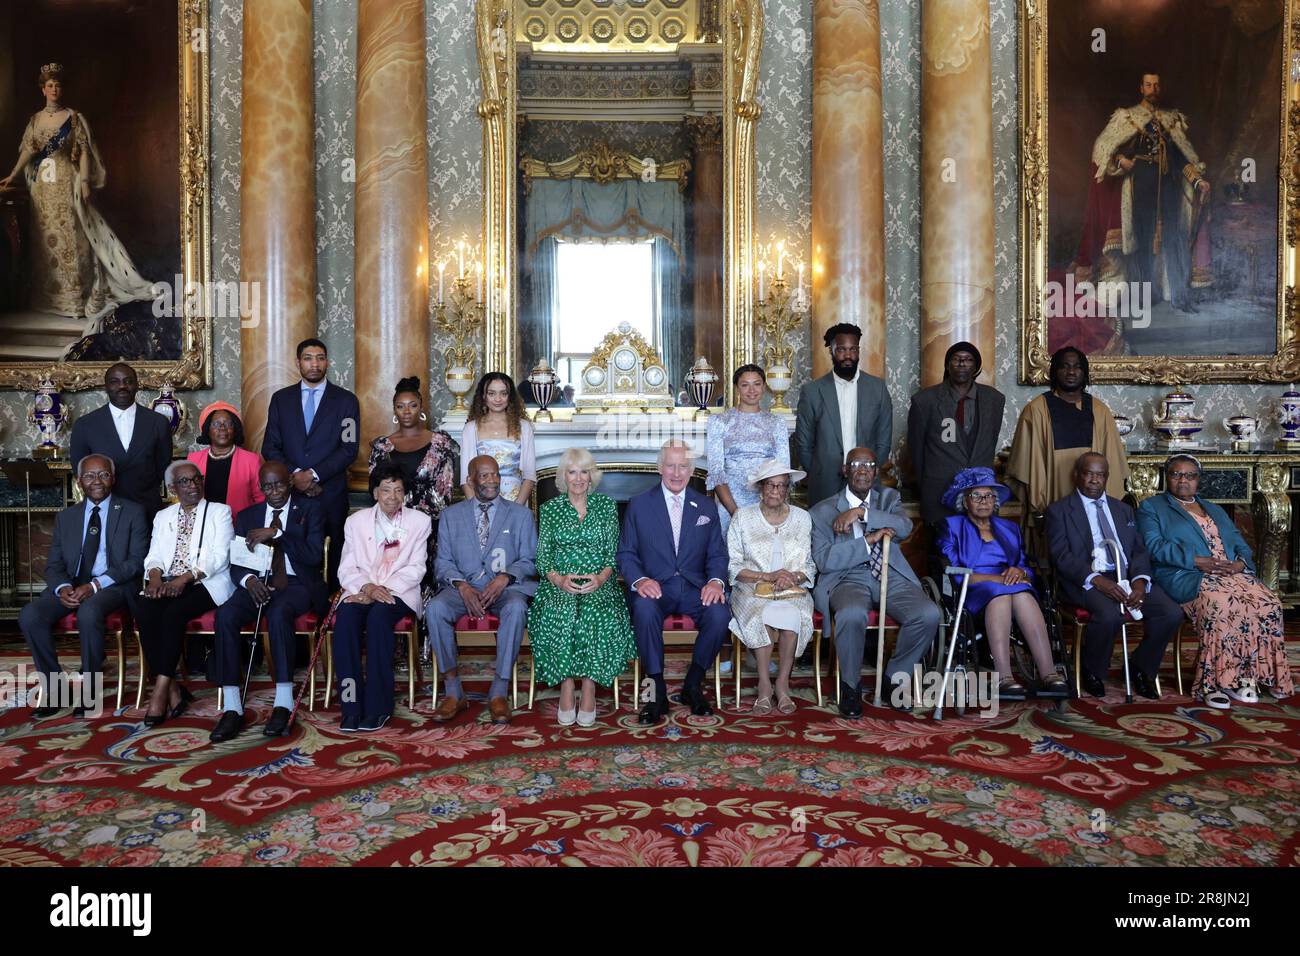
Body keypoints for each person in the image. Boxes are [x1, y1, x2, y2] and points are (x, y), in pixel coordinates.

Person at [0, 63, 155, 331]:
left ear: (62, 89)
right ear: (43, 90)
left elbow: (83, 152)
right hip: (42, 189)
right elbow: (28, 151)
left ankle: (74, 299)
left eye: (58, 85)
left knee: (73, 238)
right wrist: (13, 175)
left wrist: (84, 182)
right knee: (46, 241)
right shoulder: (36, 120)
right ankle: (50, 299)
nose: (54, 89)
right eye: (49, 85)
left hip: (67, 182)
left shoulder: (73, 118)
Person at [1136, 455, 1294, 709]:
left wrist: (1240, 564)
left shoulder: (1214, 508)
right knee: (1222, 605)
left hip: (1230, 573)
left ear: (1199, 480)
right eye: (1176, 474)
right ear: (1167, 478)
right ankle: (1214, 683)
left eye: (1190, 475)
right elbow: (1154, 547)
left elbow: (1241, 545)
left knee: (1269, 603)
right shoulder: (1152, 507)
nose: (1183, 480)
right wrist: (1198, 561)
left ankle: (1246, 678)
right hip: (1188, 573)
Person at [810, 446, 939, 717]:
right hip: (847, 578)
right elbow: (825, 560)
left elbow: (903, 527)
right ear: (844, 470)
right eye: (855, 464)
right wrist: (869, 540)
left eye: (868, 465)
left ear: (876, 471)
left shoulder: (888, 499)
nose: (862, 470)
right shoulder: (822, 511)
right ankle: (850, 686)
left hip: (890, 575)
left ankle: (894, 678)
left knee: (928, 614)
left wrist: (860, 514)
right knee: (851, 614)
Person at [21, 455, 149, 718]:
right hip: (73, 584)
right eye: (89, 476)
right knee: (30, 615)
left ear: (113, 479)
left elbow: (136, 562)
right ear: (79, 482)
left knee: (89, 611)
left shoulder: (132, 511)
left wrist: (94, 585)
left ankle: (91, 691)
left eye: (103, 474)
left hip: (113, 586)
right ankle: (55, 689)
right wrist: (63, 588)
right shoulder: (67, 517)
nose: (97, 481)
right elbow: (54, 565)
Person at [1046, 453, 1182, 699]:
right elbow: (1062, 557)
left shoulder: (1124, 509)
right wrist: (1098, 581)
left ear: (1107, 478)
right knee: (1109, 615)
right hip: (1087, 579)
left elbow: (1139, 550)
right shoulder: (1060, 511)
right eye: (1088, 473)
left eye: (1100, 475)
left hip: (1126, 577)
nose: (1094, 480)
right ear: (1077, 475)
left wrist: (1140, 581)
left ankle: (1141, 668)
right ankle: (1093, 671)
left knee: (1170, 612)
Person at [209, 462, 328, 742]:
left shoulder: (309, 510)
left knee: (278, 613)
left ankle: (283, 701)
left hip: (296, 583)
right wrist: (249, 581)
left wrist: (278, 534)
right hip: (256, 583)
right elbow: (236, 562)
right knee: (225, 616)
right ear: (260, 488)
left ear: (289, 482)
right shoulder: (249, 516)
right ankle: (232, 706)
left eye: (280, 485)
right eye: (267, 486)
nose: (274, 492)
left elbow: (313, 556)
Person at [617, 439, 729, 724]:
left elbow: (717, 553)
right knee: (643, 609)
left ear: (692, 470)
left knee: (719, 613)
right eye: (670, 466)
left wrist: (715, 581)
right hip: (656, 586)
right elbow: (626, 554)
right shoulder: (639, 505)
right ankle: (655, 690)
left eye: (683, 466)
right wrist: (640, 580)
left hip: (694, 588)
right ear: (659, 468)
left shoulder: (705, 505)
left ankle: (693, 684)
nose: (676, 473)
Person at [1084, 73, 1212, 317]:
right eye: (1149, 85)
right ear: (1141, 88)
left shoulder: (1171, 120)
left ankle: (1179, 297)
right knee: (1141, 243)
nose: (1153, 89)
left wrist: (1198, 180)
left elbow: (1181, 159)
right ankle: (1144, 298)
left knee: (1174, 240)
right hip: (1139, 187)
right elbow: (1104, 147)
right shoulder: (1128, 117)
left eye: (1157, 85)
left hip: (1169, 189)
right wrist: (1121, 160)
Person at [937, 467, 1068, 700]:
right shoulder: (952, 526)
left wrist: (1019, 571)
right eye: (976, 496)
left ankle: (1049, 674)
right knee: (1001, 593)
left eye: (989, 496)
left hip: (1011, 585)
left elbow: (1024, 565)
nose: (984, 501)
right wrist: (998, 579)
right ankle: (1004, 677)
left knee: (1023, 595)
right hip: (973, 587)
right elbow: (956, 572)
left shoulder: (1010, 528)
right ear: (965, 502)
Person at [426, 456, 538, 726]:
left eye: (496, 475)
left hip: (505, 589)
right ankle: (454, 692)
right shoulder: (451, 515)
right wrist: (462, 586)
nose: (492, 481)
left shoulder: (521, 514)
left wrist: (505, 577)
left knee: (516, 608)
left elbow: (530, 559)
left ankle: (499, 692)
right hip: (463, 588)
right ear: (471, 480)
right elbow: (442, 563)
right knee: (435, 608)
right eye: (485, 476)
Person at [526, 448, 635, 727]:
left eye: (583, 471)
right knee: (558, 614)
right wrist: (559, 580)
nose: (578, 478)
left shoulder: (607, 506)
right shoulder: (550, 509)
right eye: (572, 472)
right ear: (564, 476)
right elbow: (543, 558)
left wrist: (599, 578)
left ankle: (588, 687)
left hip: (600, 582)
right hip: (558, 584)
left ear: (591, 476)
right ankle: (565, 686)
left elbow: (614, 553)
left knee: (596, 616)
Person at [332, 463, 432, 733]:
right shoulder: (355, 522)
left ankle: (378, 707)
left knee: (378, 619)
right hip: (361, 589)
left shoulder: (419, 522)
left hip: (399, 591)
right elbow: (346, 568)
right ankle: (351, 705)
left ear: (405, 495)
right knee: (346, 620)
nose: (392, 497)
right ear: (375, 492)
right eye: (386, 490)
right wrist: (367, 588)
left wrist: (380, 590)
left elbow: (416, 568)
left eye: (398, 491)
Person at [137, 462, 235, 726]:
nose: (193, 486)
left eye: (196, 479)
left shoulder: (219, 512)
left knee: (173, 613)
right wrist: (155, 579)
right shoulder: (163, 516)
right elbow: (154, 553)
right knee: (144, 608)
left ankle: (161, 690)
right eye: (185, 482)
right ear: (172, 488)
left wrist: (184, 579)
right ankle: (173, 688)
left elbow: (220, 558)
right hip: (168, 581)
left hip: (206, 582)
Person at [262, 338, 361, 591]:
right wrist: (297, 476)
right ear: (298, 362)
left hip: (331, 495)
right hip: (291, 496)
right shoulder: (280, 400)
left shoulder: (346, 401)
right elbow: (270, 447)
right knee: (294, 553)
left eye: (320, 358)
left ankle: (332, 617)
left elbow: (349, 449)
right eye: (308, 358)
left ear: (327, 361)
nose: (314, 364)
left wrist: (314, 475)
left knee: (334, 558)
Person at [726, 460, 816, 716]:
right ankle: (765, 685)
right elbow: (734, 567)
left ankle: (782, 684)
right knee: (761, 615)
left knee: (794, 616)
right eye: (770, 485)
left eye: (781, 486)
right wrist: (766, 575)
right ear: (761, 488)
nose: (775, 491)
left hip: (792, 590)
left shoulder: (802, 518)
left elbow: (808, 564)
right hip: (751, 588)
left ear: (788, 489)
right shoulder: (743, 517)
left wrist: (794, 576)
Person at [1006, 346, 1129, 531]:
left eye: (1077, 366)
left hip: (1093, 506)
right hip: (1050, 500)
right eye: (1064, 366)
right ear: (1054, 371)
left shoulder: (1100, 411)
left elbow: (1113, 465)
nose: (1071, 371)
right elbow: (1023, 468)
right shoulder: (1036, 410)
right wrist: (1038, 508)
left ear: (1085, 372)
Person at [367, 376, 458, 604]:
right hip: (391, 530)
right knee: (394, 585)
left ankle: (427, 635)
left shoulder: (440, 443)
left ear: (421, 408)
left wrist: (422, 524)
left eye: (413, 405)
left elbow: (445, 491)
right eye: (400, 406)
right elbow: (376, 491)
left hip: (432, 530)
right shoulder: (382, 447)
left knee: (430, 584)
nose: (407, 411)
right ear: (394, 410)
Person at [906, 342, 1005, 528]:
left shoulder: (994, 400)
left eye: (968, 360)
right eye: (956, 359)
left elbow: (990, 441)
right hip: (938, 494)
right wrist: (926, 485)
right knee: (941, 553)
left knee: (981, 552)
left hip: (980, 495)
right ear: (947, 365)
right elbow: (916, 450)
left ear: (976, 367)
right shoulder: (924, 401)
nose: (961, 364)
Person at [794, 322, 893, 508]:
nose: (848, 355)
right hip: (825, 483)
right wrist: (819, 471)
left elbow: (883, 439)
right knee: (827, 534)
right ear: (831, 351)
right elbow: (803, 443)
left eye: (853, 349)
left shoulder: (877, 388)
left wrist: (867, 471)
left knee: (865, 534)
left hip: (866, 482)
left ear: (859, 351)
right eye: (841, 349)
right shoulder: (812, 391)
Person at [69, 363, 173, 521]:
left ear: (137, 385)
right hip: (104, 512)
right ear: (106, 386)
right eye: (114, 381)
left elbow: (162, 467)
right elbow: (81, 470)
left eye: (128, 381)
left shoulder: (158, 422)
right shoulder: (85, 425)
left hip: (147, 510)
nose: (122, 386)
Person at [706, 364, 791, 536]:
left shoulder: (777, 423)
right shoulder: (719, 422)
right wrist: (735, 512)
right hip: (730, 502)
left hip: (768, 502)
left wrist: (772, 505)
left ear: (764, 387)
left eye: (757, 384)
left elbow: (783, 471)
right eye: (745, 385)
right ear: (737, 388)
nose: (751, 390)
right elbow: (716, 472)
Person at [459, 372, 536, 505]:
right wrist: (478, 510)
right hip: (481, 502)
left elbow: (529, 475)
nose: (498, 399)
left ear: (510, 397)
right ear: (483, 396)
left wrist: (516, 510)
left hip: (516, 503)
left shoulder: (524, 427)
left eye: (503, 393)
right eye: (492, 393)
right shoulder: (471, 429)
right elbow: (465, 478)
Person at [187, 402, 264, 518]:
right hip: (202, 526)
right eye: (216, 424)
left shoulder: (251, 460)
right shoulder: (193, 459)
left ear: (235, 429)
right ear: (207, 429)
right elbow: (187, 497)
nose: (222, 428)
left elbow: (261, 501)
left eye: (228, 424)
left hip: (239, 528)